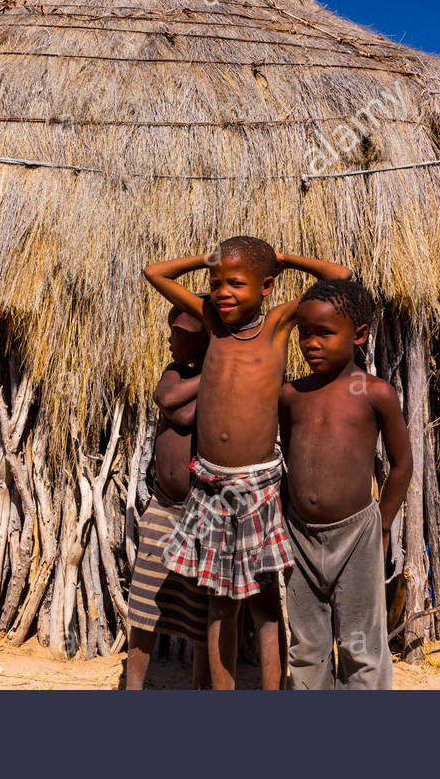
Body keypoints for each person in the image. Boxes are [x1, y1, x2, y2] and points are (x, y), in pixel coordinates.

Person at [143, 236, 352, 690]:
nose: (223, 292)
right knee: (220, 600)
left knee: (263, 602)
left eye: (236, 283)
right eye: (215, 282)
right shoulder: (212, 323)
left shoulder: (277, 325)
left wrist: (286, 257)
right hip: (211, 487)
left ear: (268, 287)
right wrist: (207, 258)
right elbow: (154, 272)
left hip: (256, 487)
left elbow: (340, 278)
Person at [279, 278, 413, 689]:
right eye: (304, 333)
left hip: (357, 534)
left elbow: (402, 463)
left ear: (358, 335)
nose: (311, 343)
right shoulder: (291, 395)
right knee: (306, 645)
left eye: (324, 333)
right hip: (298, 534)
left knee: (361, 644)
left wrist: (384, 524)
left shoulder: (375, 393)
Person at [126, 305, 211, 689]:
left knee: (200, 611)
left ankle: (198, 688)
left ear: (201, 336)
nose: (168, 340)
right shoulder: (177, 372)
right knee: (143, 606)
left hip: (203, 512)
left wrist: (214, 377)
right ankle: (134, 687)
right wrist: (213, 373)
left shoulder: (227, 385)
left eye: (175, 333)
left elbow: (190, 414)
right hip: (164, 507)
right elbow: (172, 405)